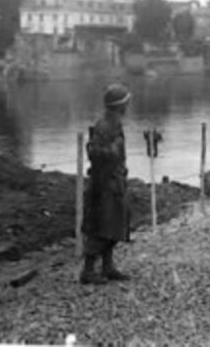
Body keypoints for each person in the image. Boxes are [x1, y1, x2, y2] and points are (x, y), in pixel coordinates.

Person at [80, 83, 133, 285]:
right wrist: (114, 148)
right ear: (120, 105)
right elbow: (94, 153)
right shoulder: (104, 126)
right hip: (103, 185)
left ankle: (108, 266)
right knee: (101, 226)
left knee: (115, 224)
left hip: (115, 182)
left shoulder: (115, 123)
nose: (128, 107)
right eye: (126, 103)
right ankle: (88, 271)